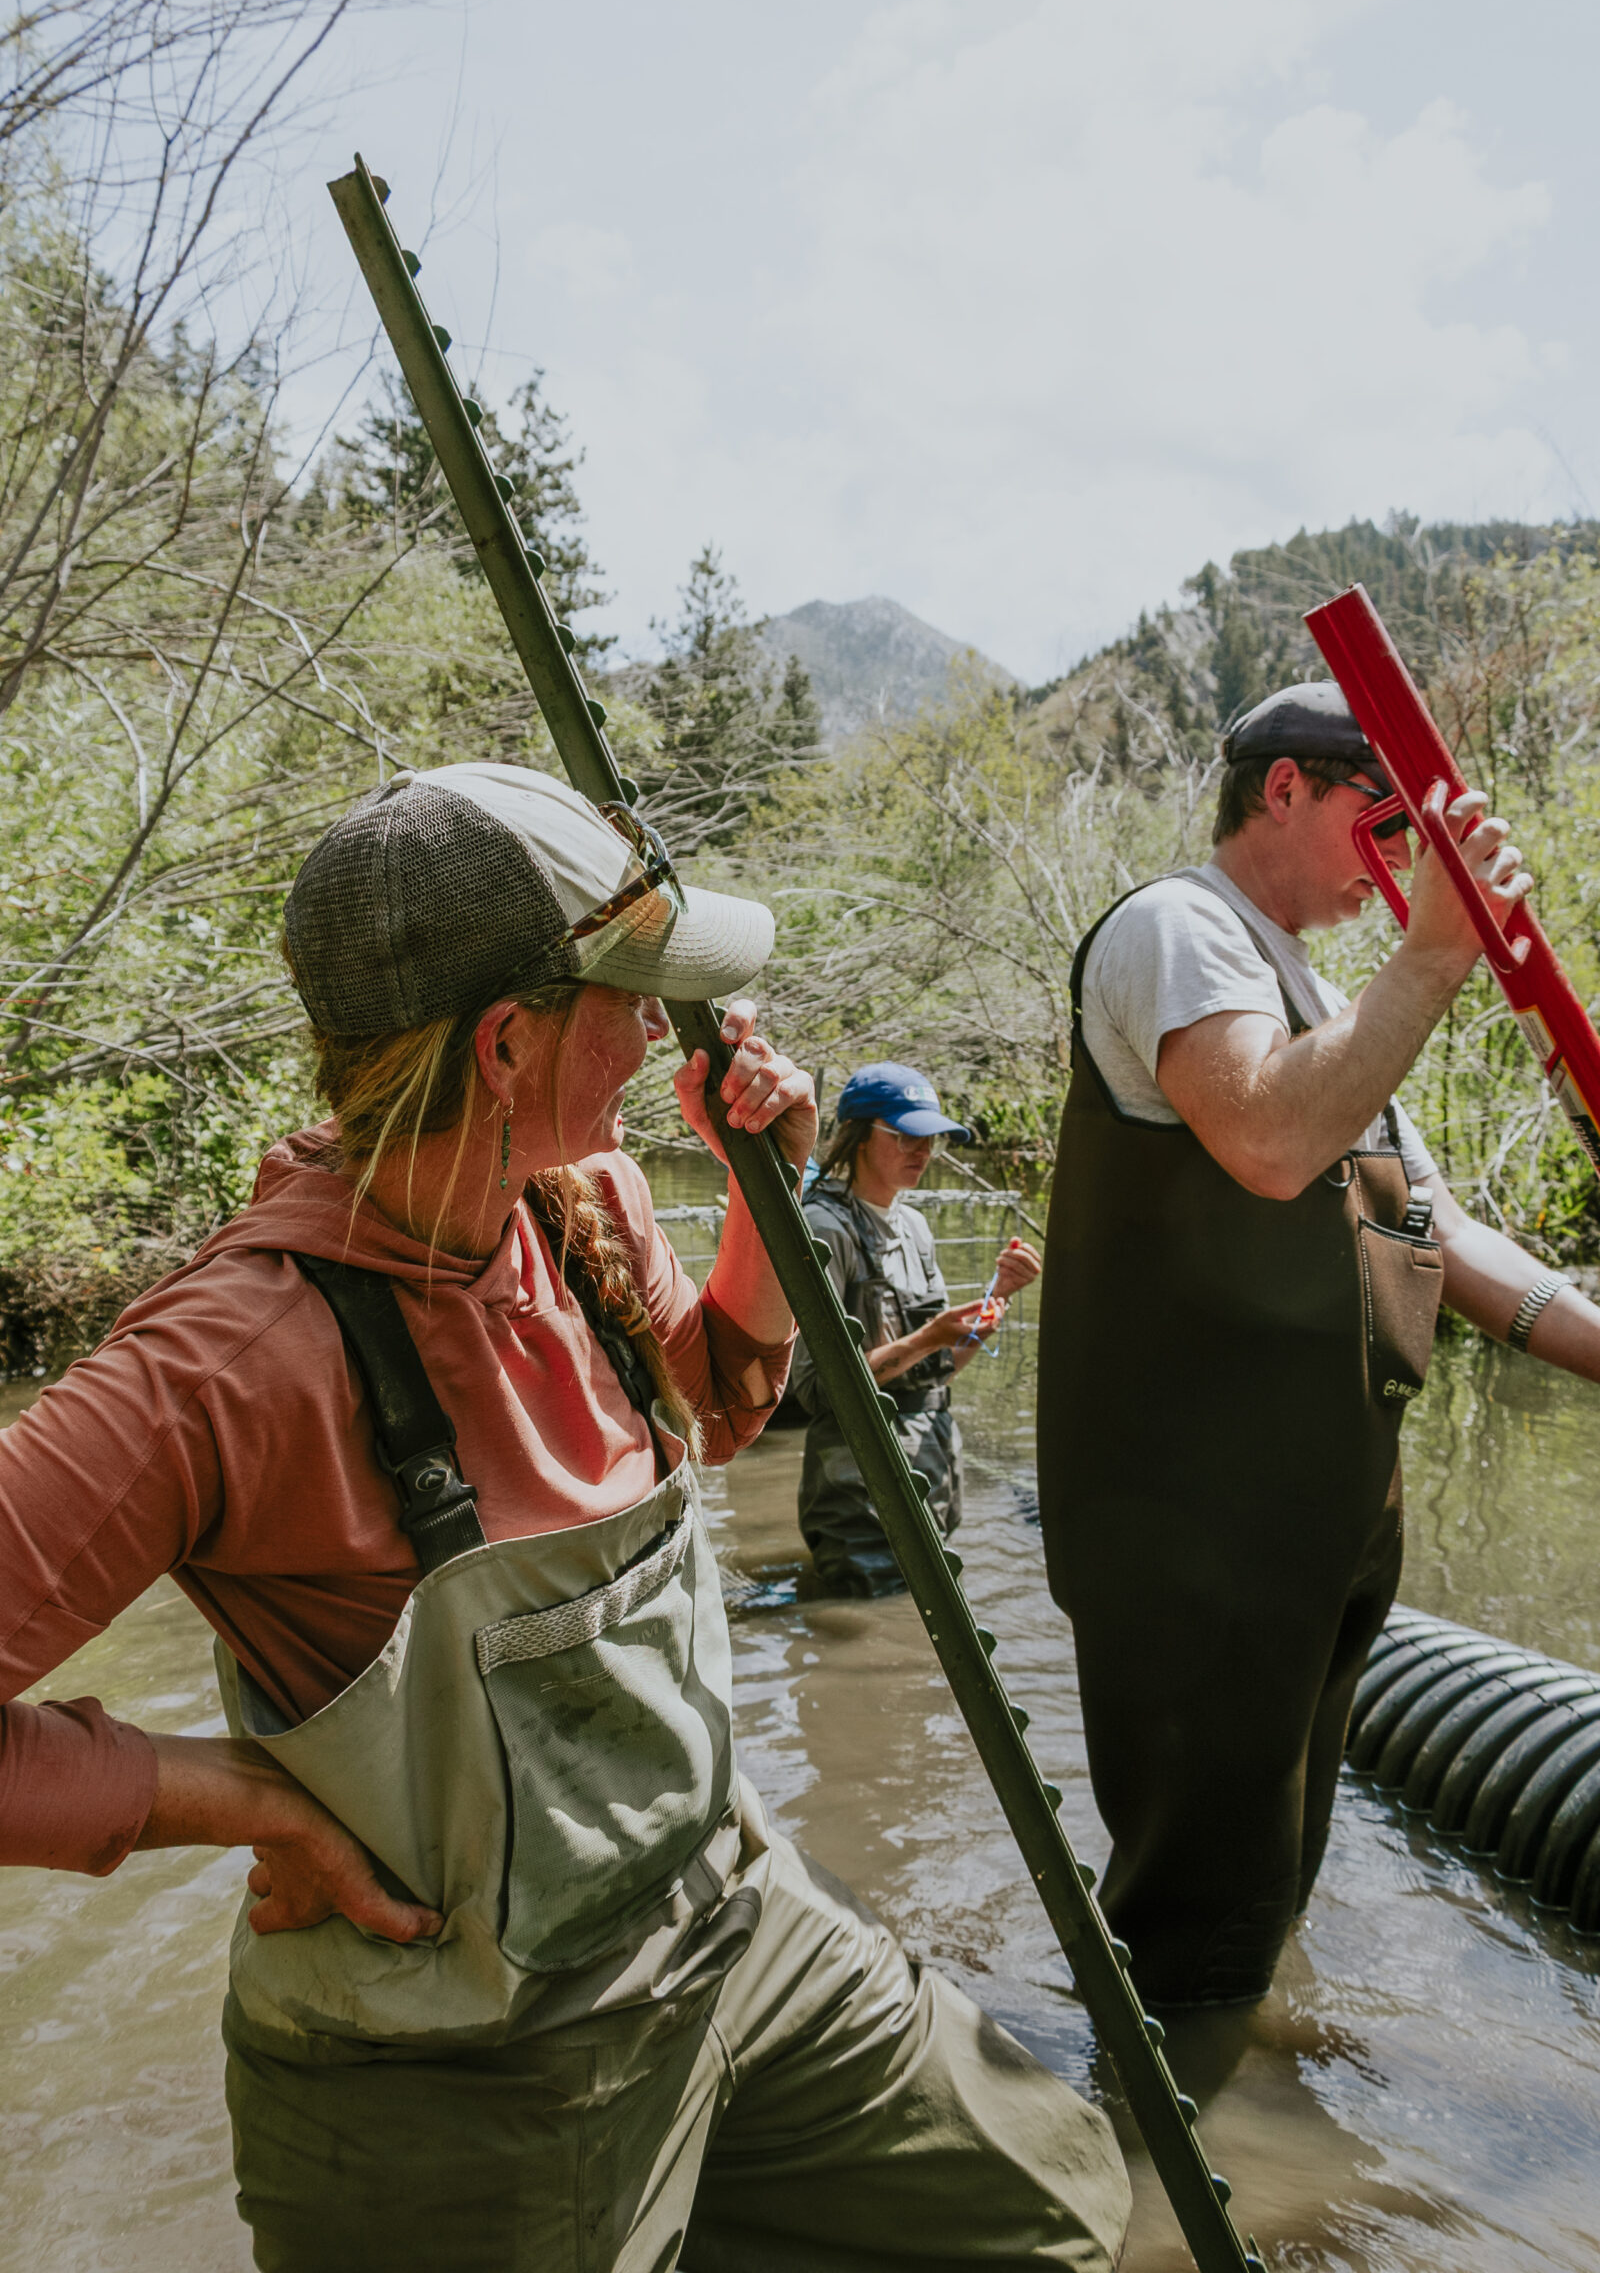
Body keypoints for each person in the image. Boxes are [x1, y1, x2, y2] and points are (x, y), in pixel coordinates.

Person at [0, 763, 1128, 2273]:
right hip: (471, 2077)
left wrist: (758, 1193)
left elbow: (720, 1409)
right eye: (634, 996)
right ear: (512, 1040)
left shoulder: (568, 1197)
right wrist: (240, 1799)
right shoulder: (231, 1360)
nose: (661, 1030)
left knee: (1047, 2215)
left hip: (727, 1915)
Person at [1036, 682, 1600, 2012]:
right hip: (1199, 1535)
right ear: (1282, 788)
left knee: (1268, 1891)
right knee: (1201, 1924)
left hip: (1313, 1529)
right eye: (1385, 819)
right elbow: (1271, 1139)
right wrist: (1435, 960)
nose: (1403, 863)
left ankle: (1241, 2178)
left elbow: (1440, 1229)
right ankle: (1143, 2193)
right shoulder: (1181, 929)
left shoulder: (1316, 988)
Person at [791, 1062, 1040, 1596]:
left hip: (933, 1473)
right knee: (863, 1634)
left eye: (933, 1140)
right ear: (858, 1136)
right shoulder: (823, 1228)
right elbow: (817, 1390)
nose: (922, 1152)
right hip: (861, 1487)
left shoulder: (915, 1225)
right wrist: (931, 1336)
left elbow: (937, 1372)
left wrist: (992, 1305)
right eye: (906, 1136)